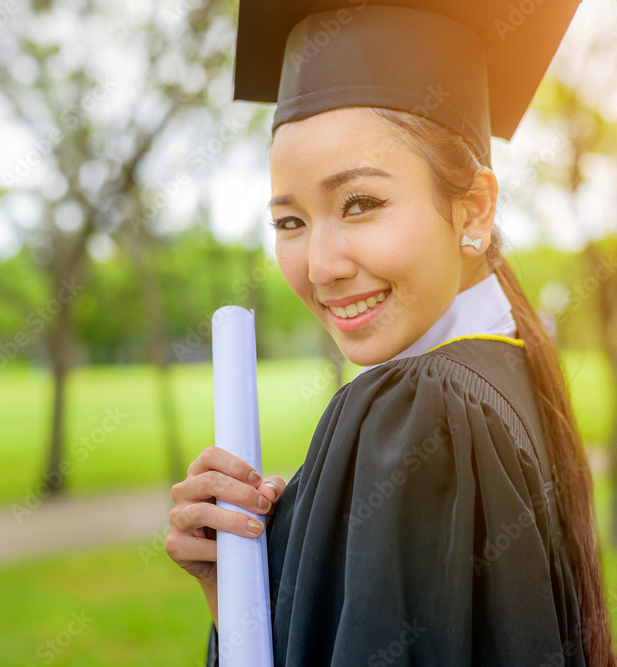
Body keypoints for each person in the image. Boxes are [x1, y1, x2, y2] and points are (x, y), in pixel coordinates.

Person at [164, 1, 617, 665]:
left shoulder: (418, 406)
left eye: (360, 203)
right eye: (290, 221)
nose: (321, 266)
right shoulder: (510, 366)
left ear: (475, 207)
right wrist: (233, 590)